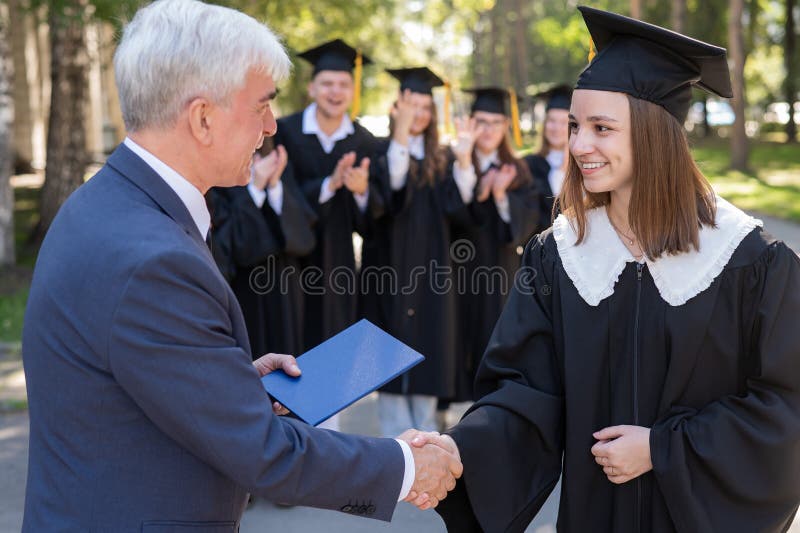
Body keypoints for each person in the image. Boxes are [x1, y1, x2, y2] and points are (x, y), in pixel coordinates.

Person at [21, 2, 462, 531]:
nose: (271, 125)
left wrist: (230, 382)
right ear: (203, 118)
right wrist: (407, 465)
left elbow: (135, 380)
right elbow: (264, 453)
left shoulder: (110, 204)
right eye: (262, 105)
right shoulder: (153, 260)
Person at [427, 6, 800, 532]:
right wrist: (455, 451)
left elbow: (785, 407)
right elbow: (523, 393)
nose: (579, 145)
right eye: (576, 126)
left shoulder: (748, 261)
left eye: (602, 128)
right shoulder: (560, 256)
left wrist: (662, 448)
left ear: (654, 134)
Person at [367, 67, 467, 438]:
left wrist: (467, 161)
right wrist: (400, 136)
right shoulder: (381, 150)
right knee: (388, 366)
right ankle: (394, 456)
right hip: (387, 271)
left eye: (425, 107)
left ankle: (426, 456)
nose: (419, 114)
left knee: (427, 358)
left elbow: (460, 210)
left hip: (431, 272)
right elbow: (391, 191)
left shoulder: (443, 157)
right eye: (412, 105)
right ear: (397, 106)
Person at [272, 39, 380, 351]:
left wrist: (361, 192)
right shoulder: (284, 133)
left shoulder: (365, 142)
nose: (335, 92)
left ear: (352, 90)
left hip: (340, 266)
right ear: (311, 88)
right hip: (290, 260)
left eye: (343, 84)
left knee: (334, 353)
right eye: (327, 83)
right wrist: (329, 185)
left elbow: (375, 219)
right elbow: (283, 196)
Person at [449, 87, 539, 403]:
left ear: (505, 126)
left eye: (496, 122)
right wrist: (467, 173)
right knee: (458, 339)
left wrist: (500, 197)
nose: (488, 130)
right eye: (481, 121)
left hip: (501, 274)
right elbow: (450, 215)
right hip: (458, 273)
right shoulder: (454, 160)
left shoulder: (519, 169)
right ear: (470, 123)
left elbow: (525, 226)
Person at [206, 137, 316, 357]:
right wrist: (255, 187)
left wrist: (274, 184)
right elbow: (229, 243)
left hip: (286, 288)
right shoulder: (217, 175)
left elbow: (304, 237)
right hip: (246, 290)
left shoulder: (279, 163)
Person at [524, 85, 572, 230]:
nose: (556, 128)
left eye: (564, 122)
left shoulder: (586, 163)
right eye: (551, 121)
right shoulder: (529, 164)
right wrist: (561, 170)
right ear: (544, 124)